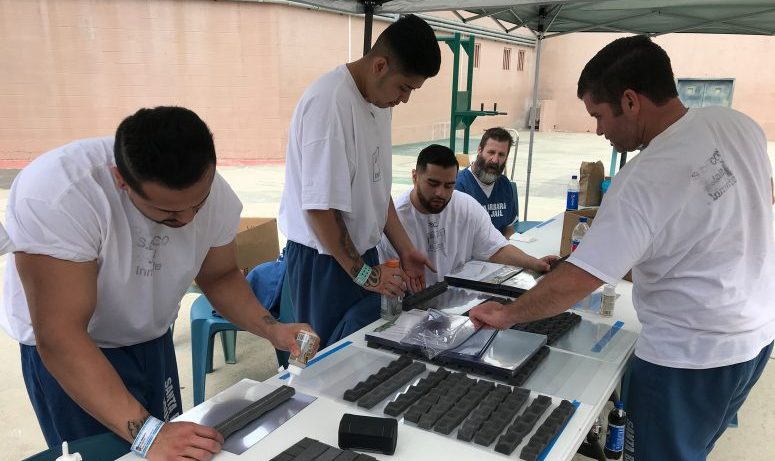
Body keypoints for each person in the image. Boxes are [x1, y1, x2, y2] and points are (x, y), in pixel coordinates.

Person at [469, 36, 775, 461]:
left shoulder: (645, 175)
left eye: (598, 115)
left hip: (687, 358)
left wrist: (506, 314)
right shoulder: (738, 125)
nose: (599, 130)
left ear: (630, 101)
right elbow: (756, 200)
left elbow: (579, 280)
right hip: (755, 340)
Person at [1, 106, 316, 460]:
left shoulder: (214, 192)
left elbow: (220, 276)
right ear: (121, 180)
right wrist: (149, 433)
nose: (188, 218)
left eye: (198, 204)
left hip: (151, 340)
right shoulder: (60, 196)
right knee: (112, 453)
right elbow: (60, 336)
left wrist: (274, 329)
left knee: (174, 447)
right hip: (76, 353)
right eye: (169, 213)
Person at [278, 14, 441, 348]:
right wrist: (366, 275)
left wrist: (406, 249)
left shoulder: (379, 102)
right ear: (380, 66)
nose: (404, 99)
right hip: (322, 261)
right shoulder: (330, 103)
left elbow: (376, 191)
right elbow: (320, 209)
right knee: (324, 357)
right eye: (404, 87)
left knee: (360, 351)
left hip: (360, 256)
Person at [377, 144, 556, 283]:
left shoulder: (467, 206)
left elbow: (496, 249)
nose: (441, 193)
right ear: (415, 177)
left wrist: (535, 263)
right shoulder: (394, 221)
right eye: (433, 184)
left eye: (449, 185)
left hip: (459, 298)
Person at [455, 127, 518, 238]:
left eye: (501, 155)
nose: (495, 160)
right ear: (479, 150)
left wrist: (507, 245)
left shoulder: (505, 185)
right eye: (491, 152)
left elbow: (509, 228)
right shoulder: (458, 186)